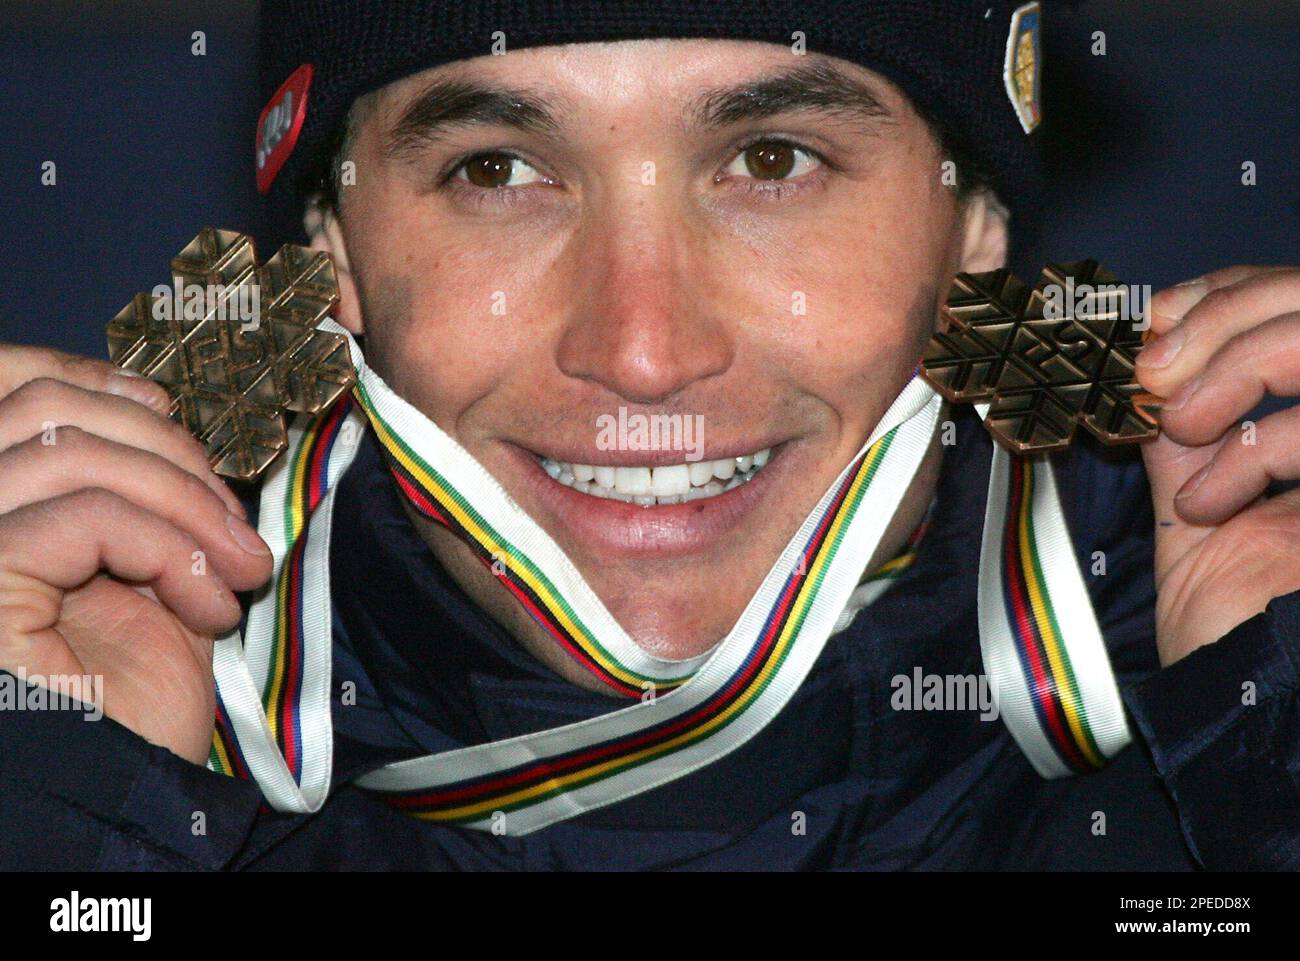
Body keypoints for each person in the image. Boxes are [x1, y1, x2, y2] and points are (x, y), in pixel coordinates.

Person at [1, 1, 1298, 870]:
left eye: (774, 158)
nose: (641, 345)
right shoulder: (114, 701)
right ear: (332, 260)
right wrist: (67, 810)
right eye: (497, 171)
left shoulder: (1224, 691)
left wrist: (1271, 738)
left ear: (974, 235)